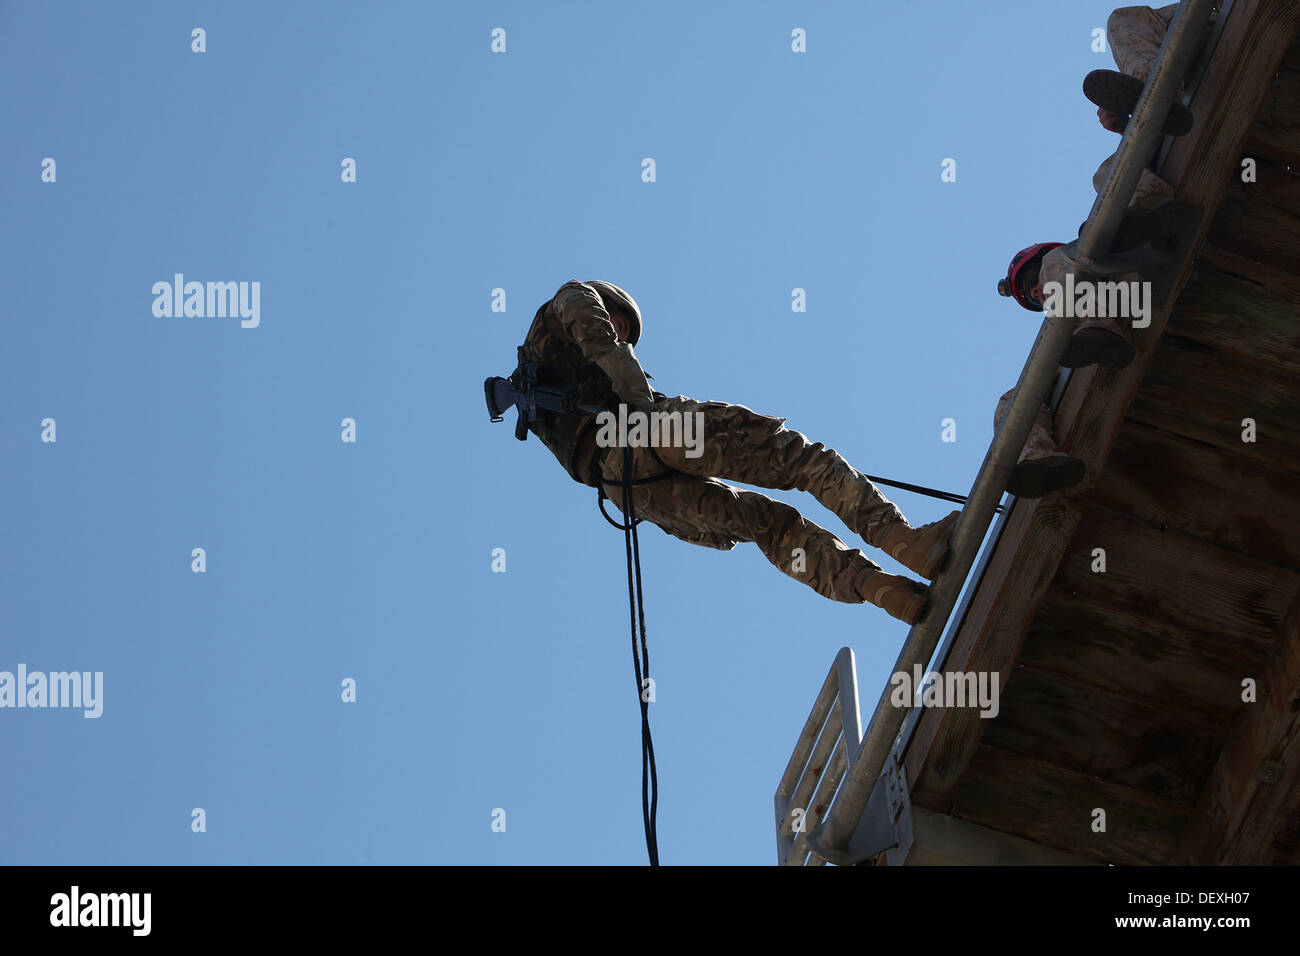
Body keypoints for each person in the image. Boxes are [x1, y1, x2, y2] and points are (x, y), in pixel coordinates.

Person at [510, 278, 959, 625]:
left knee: (767, 527)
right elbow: (590, 322)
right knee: (797, 460)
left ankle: (883, 591)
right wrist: (639, 397)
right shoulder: (570, 299)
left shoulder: (541, 392)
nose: (622, 334)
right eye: (620, 321)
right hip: (650, 434)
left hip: (626, 487)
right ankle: (907, 545)